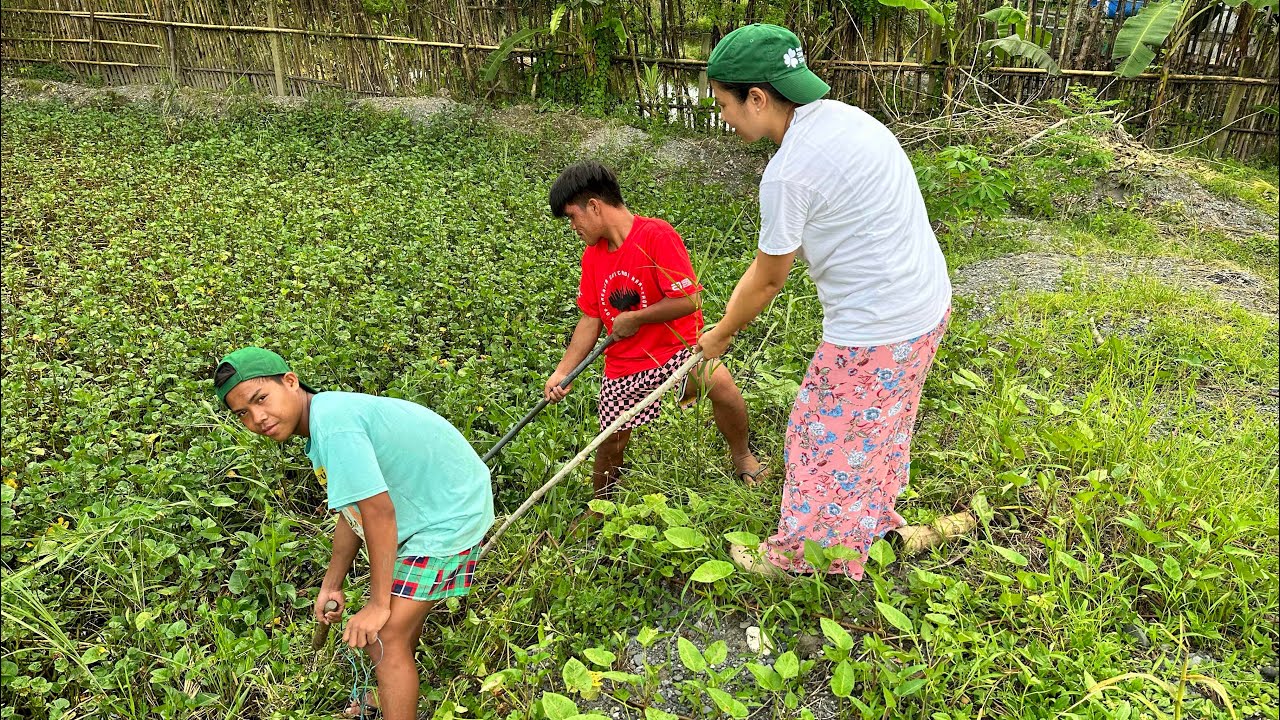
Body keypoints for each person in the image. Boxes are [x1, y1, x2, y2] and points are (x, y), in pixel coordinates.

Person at [696, 24, 953, 580]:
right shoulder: (849, 119)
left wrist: (720, 332)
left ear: (757, 98)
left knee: (819, 437)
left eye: (723, 104)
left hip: (877, 328)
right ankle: (868, 525)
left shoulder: (789, 174)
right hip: (926, 305)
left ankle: (801, 559)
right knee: (878, 427)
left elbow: (767, 279)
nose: (724, 117)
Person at [212, 347, 493, 719]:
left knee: (383, 635)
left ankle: (394, 686)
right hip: (429, 510)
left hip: (450, 515)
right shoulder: (324, 420)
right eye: (243, 413)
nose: (257, 418)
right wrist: (331, 584)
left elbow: (379, 514)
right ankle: (391, 690)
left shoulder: (334, 425)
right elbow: (354, 511)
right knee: (392, 632)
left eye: (260, 398)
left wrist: (377, 605)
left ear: (291, 382)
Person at [544, 161, 767, 525]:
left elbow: (689, 300)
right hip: (624, 365)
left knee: (722, 385)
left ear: (594, 206)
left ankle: (743, 456)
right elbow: (590, 319)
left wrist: (636, 318)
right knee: (611, 441)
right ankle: (600, 504)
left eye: (573, 216)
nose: (573, 227)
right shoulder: (593, 257)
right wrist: (562, 372)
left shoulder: (656, 236)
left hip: (675, 352)